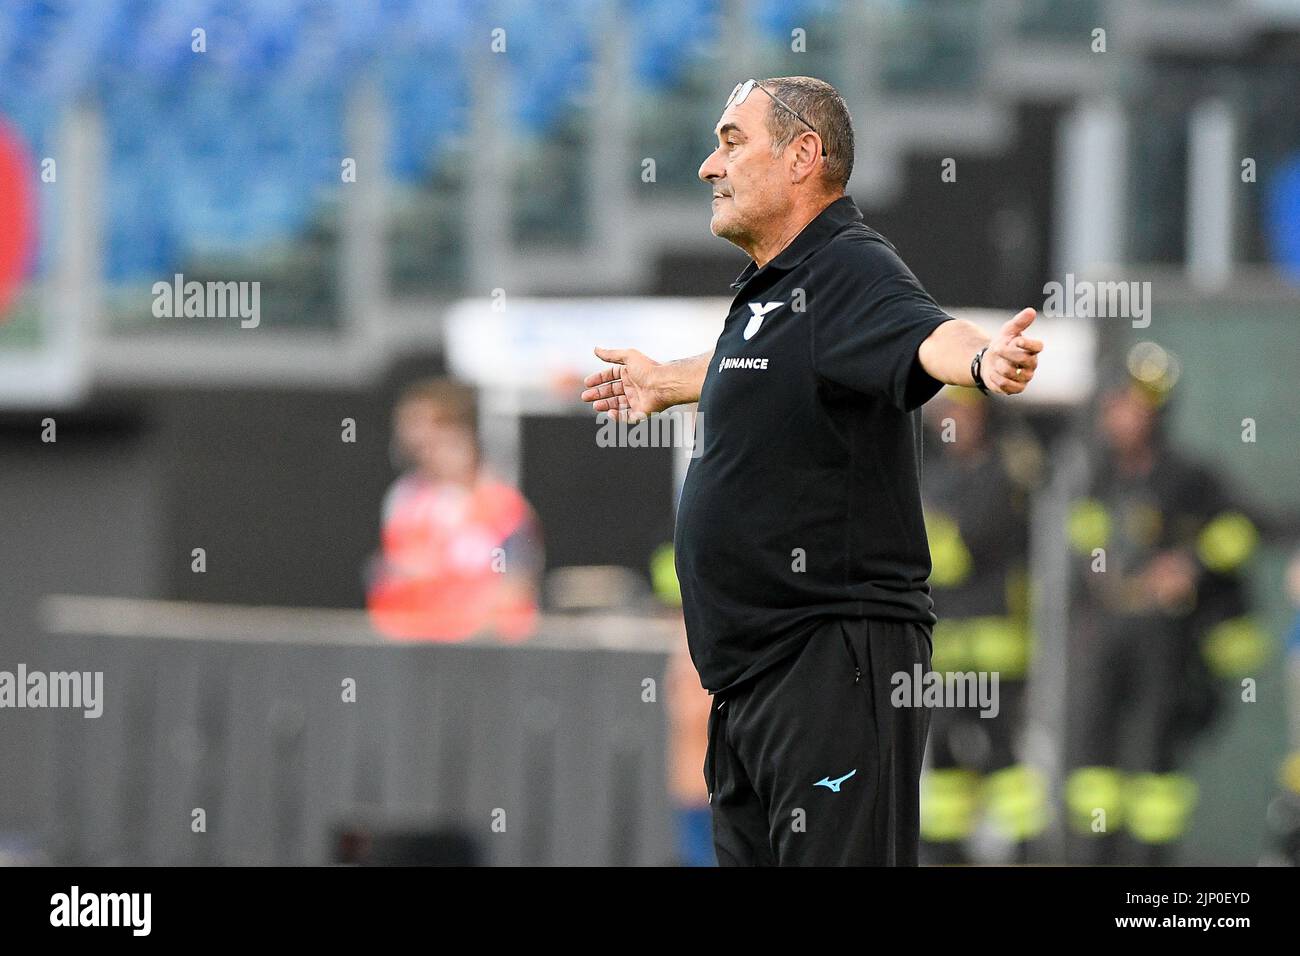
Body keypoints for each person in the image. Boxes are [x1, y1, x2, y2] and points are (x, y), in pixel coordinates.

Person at [581, 76, 1043, 865]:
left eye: (732, 141)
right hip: (754, 679)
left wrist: (981, 357)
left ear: (803, 157)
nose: (707, 166)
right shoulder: (774, 291)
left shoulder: (850, 265)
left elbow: (924, 331)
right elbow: (769, 363)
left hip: (831, 664)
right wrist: (668, 381)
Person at [1065, 352, 1263, 864]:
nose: (1121, 416)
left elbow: (1241, 531)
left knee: (1155, 761)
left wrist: (1189, 565)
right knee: (1093, 760)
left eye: (1133, 406)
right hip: (1106, 633)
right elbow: (1086, 543)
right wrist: (1102, 569)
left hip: (1165, 640)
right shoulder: (1098, 477)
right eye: (1116, 404)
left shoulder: (1191, 478)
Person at [919, 387, 1048, 863]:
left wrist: (917, 536)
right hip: (948, 648)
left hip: (998, 648)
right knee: (947, 755)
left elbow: (952, 555)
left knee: (1000, 754)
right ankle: (943, 850)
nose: (952, 423)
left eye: (962, 412)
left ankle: (1028, 848)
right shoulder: (935, 478)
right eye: (946, 413)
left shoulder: (1004, 475)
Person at [367, 379, 543, 642]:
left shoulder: (503, 507)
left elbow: (517, 587)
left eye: (447, 442)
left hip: (482, 647)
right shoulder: (406, 500)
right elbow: (390, 575)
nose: (431, 449)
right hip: (414, 644)